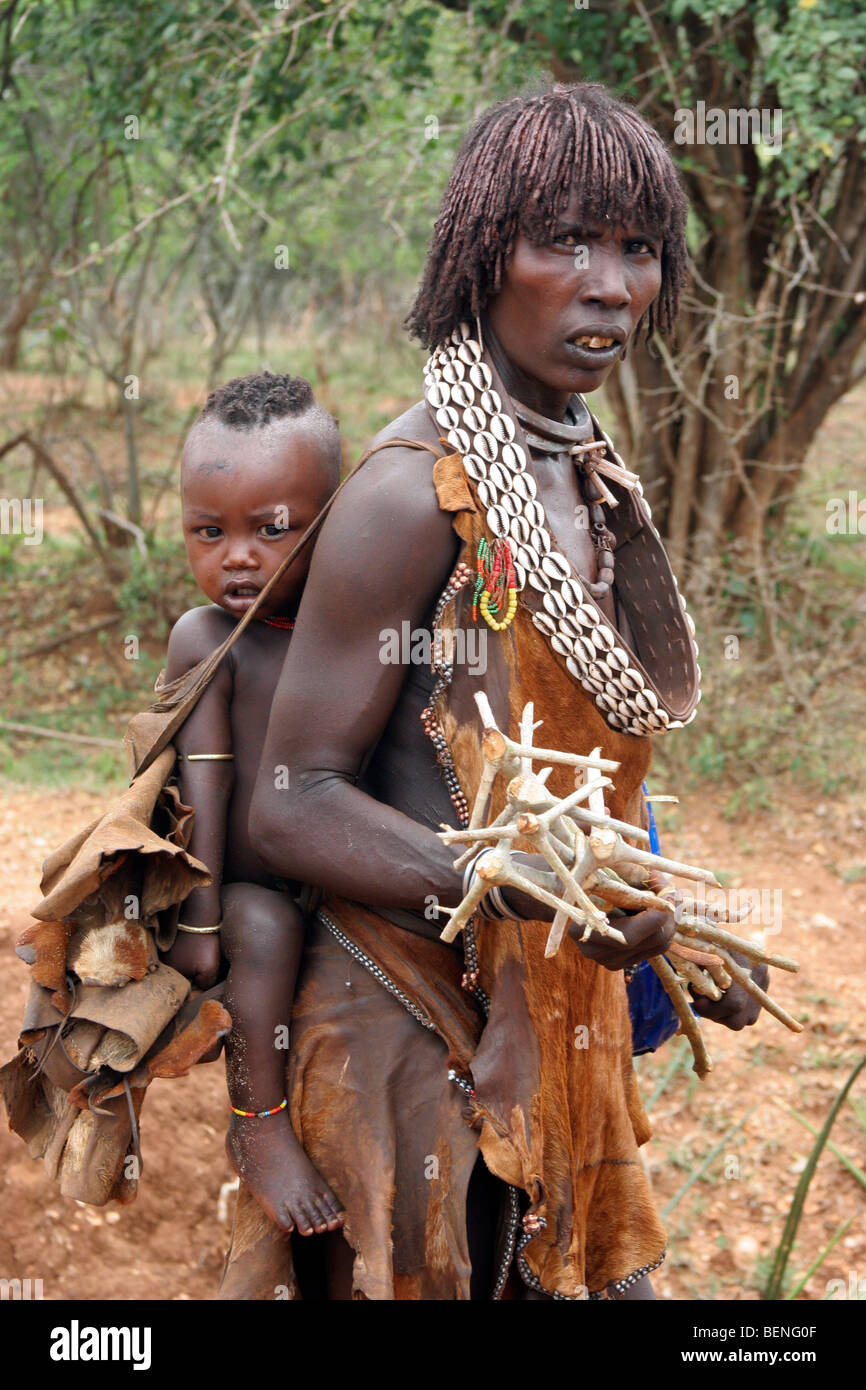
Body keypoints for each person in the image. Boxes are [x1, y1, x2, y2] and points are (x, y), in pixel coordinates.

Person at [222, 83, 767, 1302]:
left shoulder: (586, 473)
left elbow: (576, 772)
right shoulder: (412, 494)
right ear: (482, 255)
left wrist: (673, 930)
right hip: (410, 1040)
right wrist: (510, 885)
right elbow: (292, 799)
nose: (608, 284)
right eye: (562, 241)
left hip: (557, 1010)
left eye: (635, 249)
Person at [161, 370, 346, 1239]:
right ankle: (258, 1129)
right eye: (210, 531)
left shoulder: (347, 632)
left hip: (330, 881)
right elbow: (203, 786)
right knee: (265, 929)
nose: (236, 556)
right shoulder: (205, 640)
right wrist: (200, 926)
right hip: (227, 889)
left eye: (273, 530)